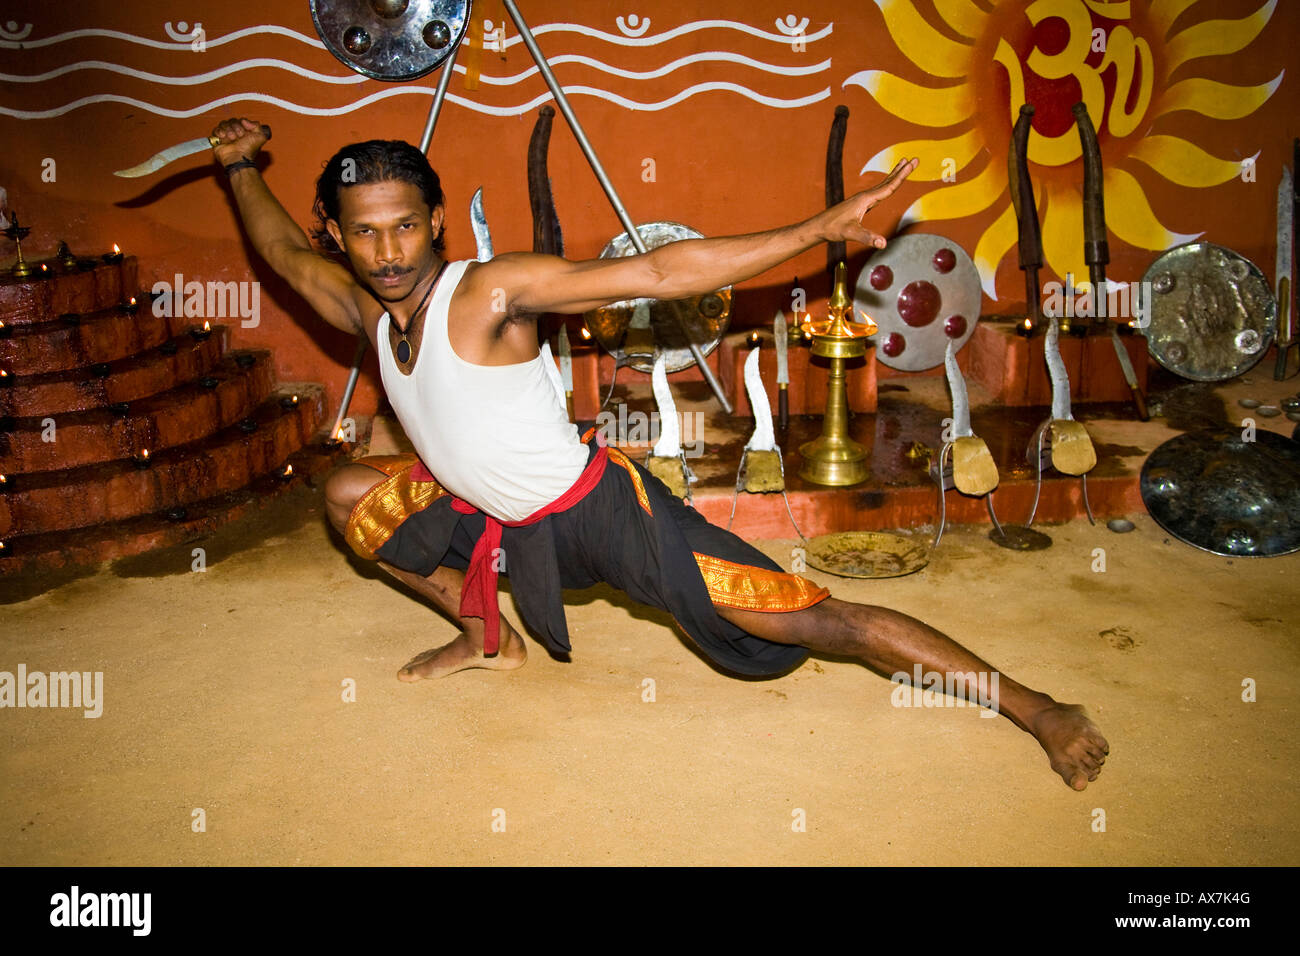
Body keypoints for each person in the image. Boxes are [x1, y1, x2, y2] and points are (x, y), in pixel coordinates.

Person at [212, 117, 1109, 791]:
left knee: (811, 618)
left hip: (599, 516)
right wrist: (240, 166)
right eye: (364, 232)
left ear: (437, 218)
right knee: (347, 494)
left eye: (405, 226)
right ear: (339, 233)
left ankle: (1036, 708)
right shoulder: (361, 306)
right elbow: (283, 253)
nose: (387, 251)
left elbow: (660, 273)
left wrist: (812, 231)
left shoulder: (489, 292)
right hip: (483, 515)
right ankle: (488, 633)